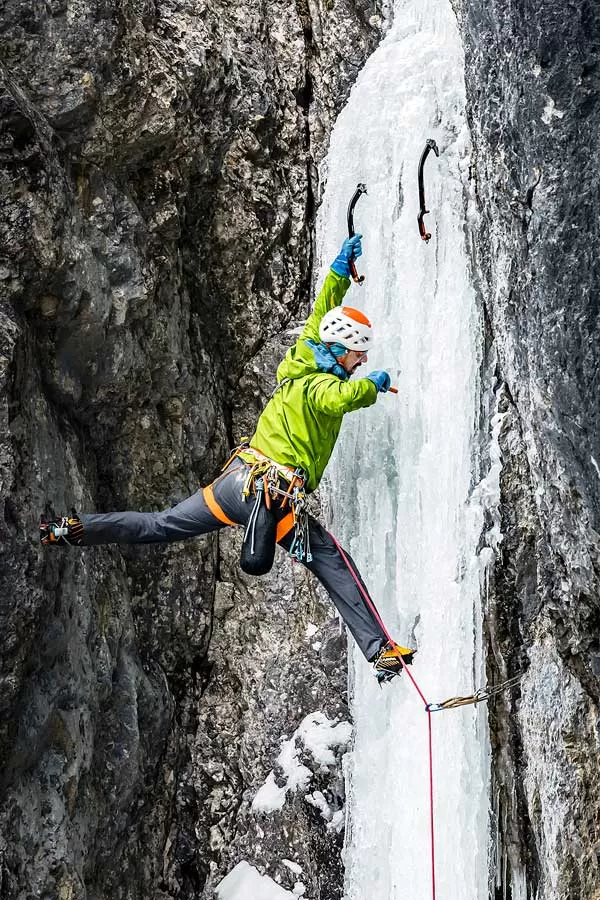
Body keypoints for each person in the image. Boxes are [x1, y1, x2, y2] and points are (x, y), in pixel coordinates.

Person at [40, 235, 415, 682]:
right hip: (268, 496)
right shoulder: (318, 389)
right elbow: (344, 397)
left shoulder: (304, 354)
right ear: (340, 352)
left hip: (233, 485)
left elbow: (321, 310)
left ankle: (73, 529)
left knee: (160, 524)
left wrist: (339, 270)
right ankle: (380, 651)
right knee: (333, 561)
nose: (362, 360)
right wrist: (374, 384)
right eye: (359, 353)